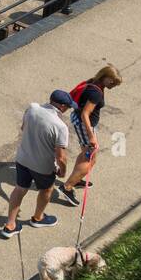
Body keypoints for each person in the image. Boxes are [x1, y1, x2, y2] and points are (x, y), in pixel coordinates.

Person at [0, 90, 72, 238]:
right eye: (68, 107)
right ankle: (38, 218)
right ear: (63, 107)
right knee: (46, 190)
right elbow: (61, 157)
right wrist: (63, 171)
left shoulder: (32, 108)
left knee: (19, 189)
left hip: (22, 159)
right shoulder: (60, 127)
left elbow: (22, 128)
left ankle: (10, 225)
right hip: (43, 167)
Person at [56, 65, 122, 206]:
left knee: (87, 153)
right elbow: (85, 114)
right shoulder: (96, 93)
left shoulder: (92, 82)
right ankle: (67, 187)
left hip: (80, 121)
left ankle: (77, 177)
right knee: (90, 158)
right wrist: (91, 135)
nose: (114, 85)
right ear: (105, 77)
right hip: (85, 125)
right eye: (113, 82)